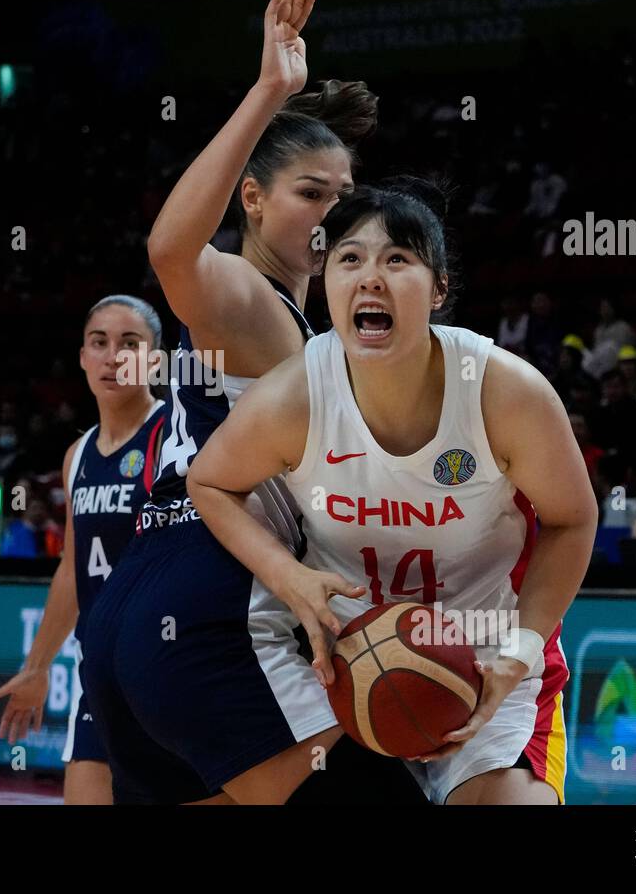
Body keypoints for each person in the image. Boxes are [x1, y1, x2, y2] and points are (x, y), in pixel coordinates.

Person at [83, 0, 421, 805]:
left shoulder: (296, 330)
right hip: (213, 603)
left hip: (132, 614)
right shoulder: (252, 302)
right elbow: (170, 250)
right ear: (253, 199)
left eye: (346, 199)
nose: (333, 216)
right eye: (312, 195)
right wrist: (269, 89)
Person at [188, 180, 597, 804]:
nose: (370, 277)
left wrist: (520, 651)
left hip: (489, 664)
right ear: (327, 284)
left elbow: (572, 521)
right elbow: (209, 481)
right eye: (349, 259)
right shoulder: (294, 395)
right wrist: (286, 576)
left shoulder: (503, 392)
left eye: (397, 259)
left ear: (438, 290)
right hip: (345, 672)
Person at [0, 295, 166, 804]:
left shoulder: (177, 436)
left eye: (130, 344)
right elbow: (72, 566)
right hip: (102, 672)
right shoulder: (78, 453)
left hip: (168, 665)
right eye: (99, 343)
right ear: (83, 357)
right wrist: (38, 664)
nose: (113, 357)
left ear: (155, 359)